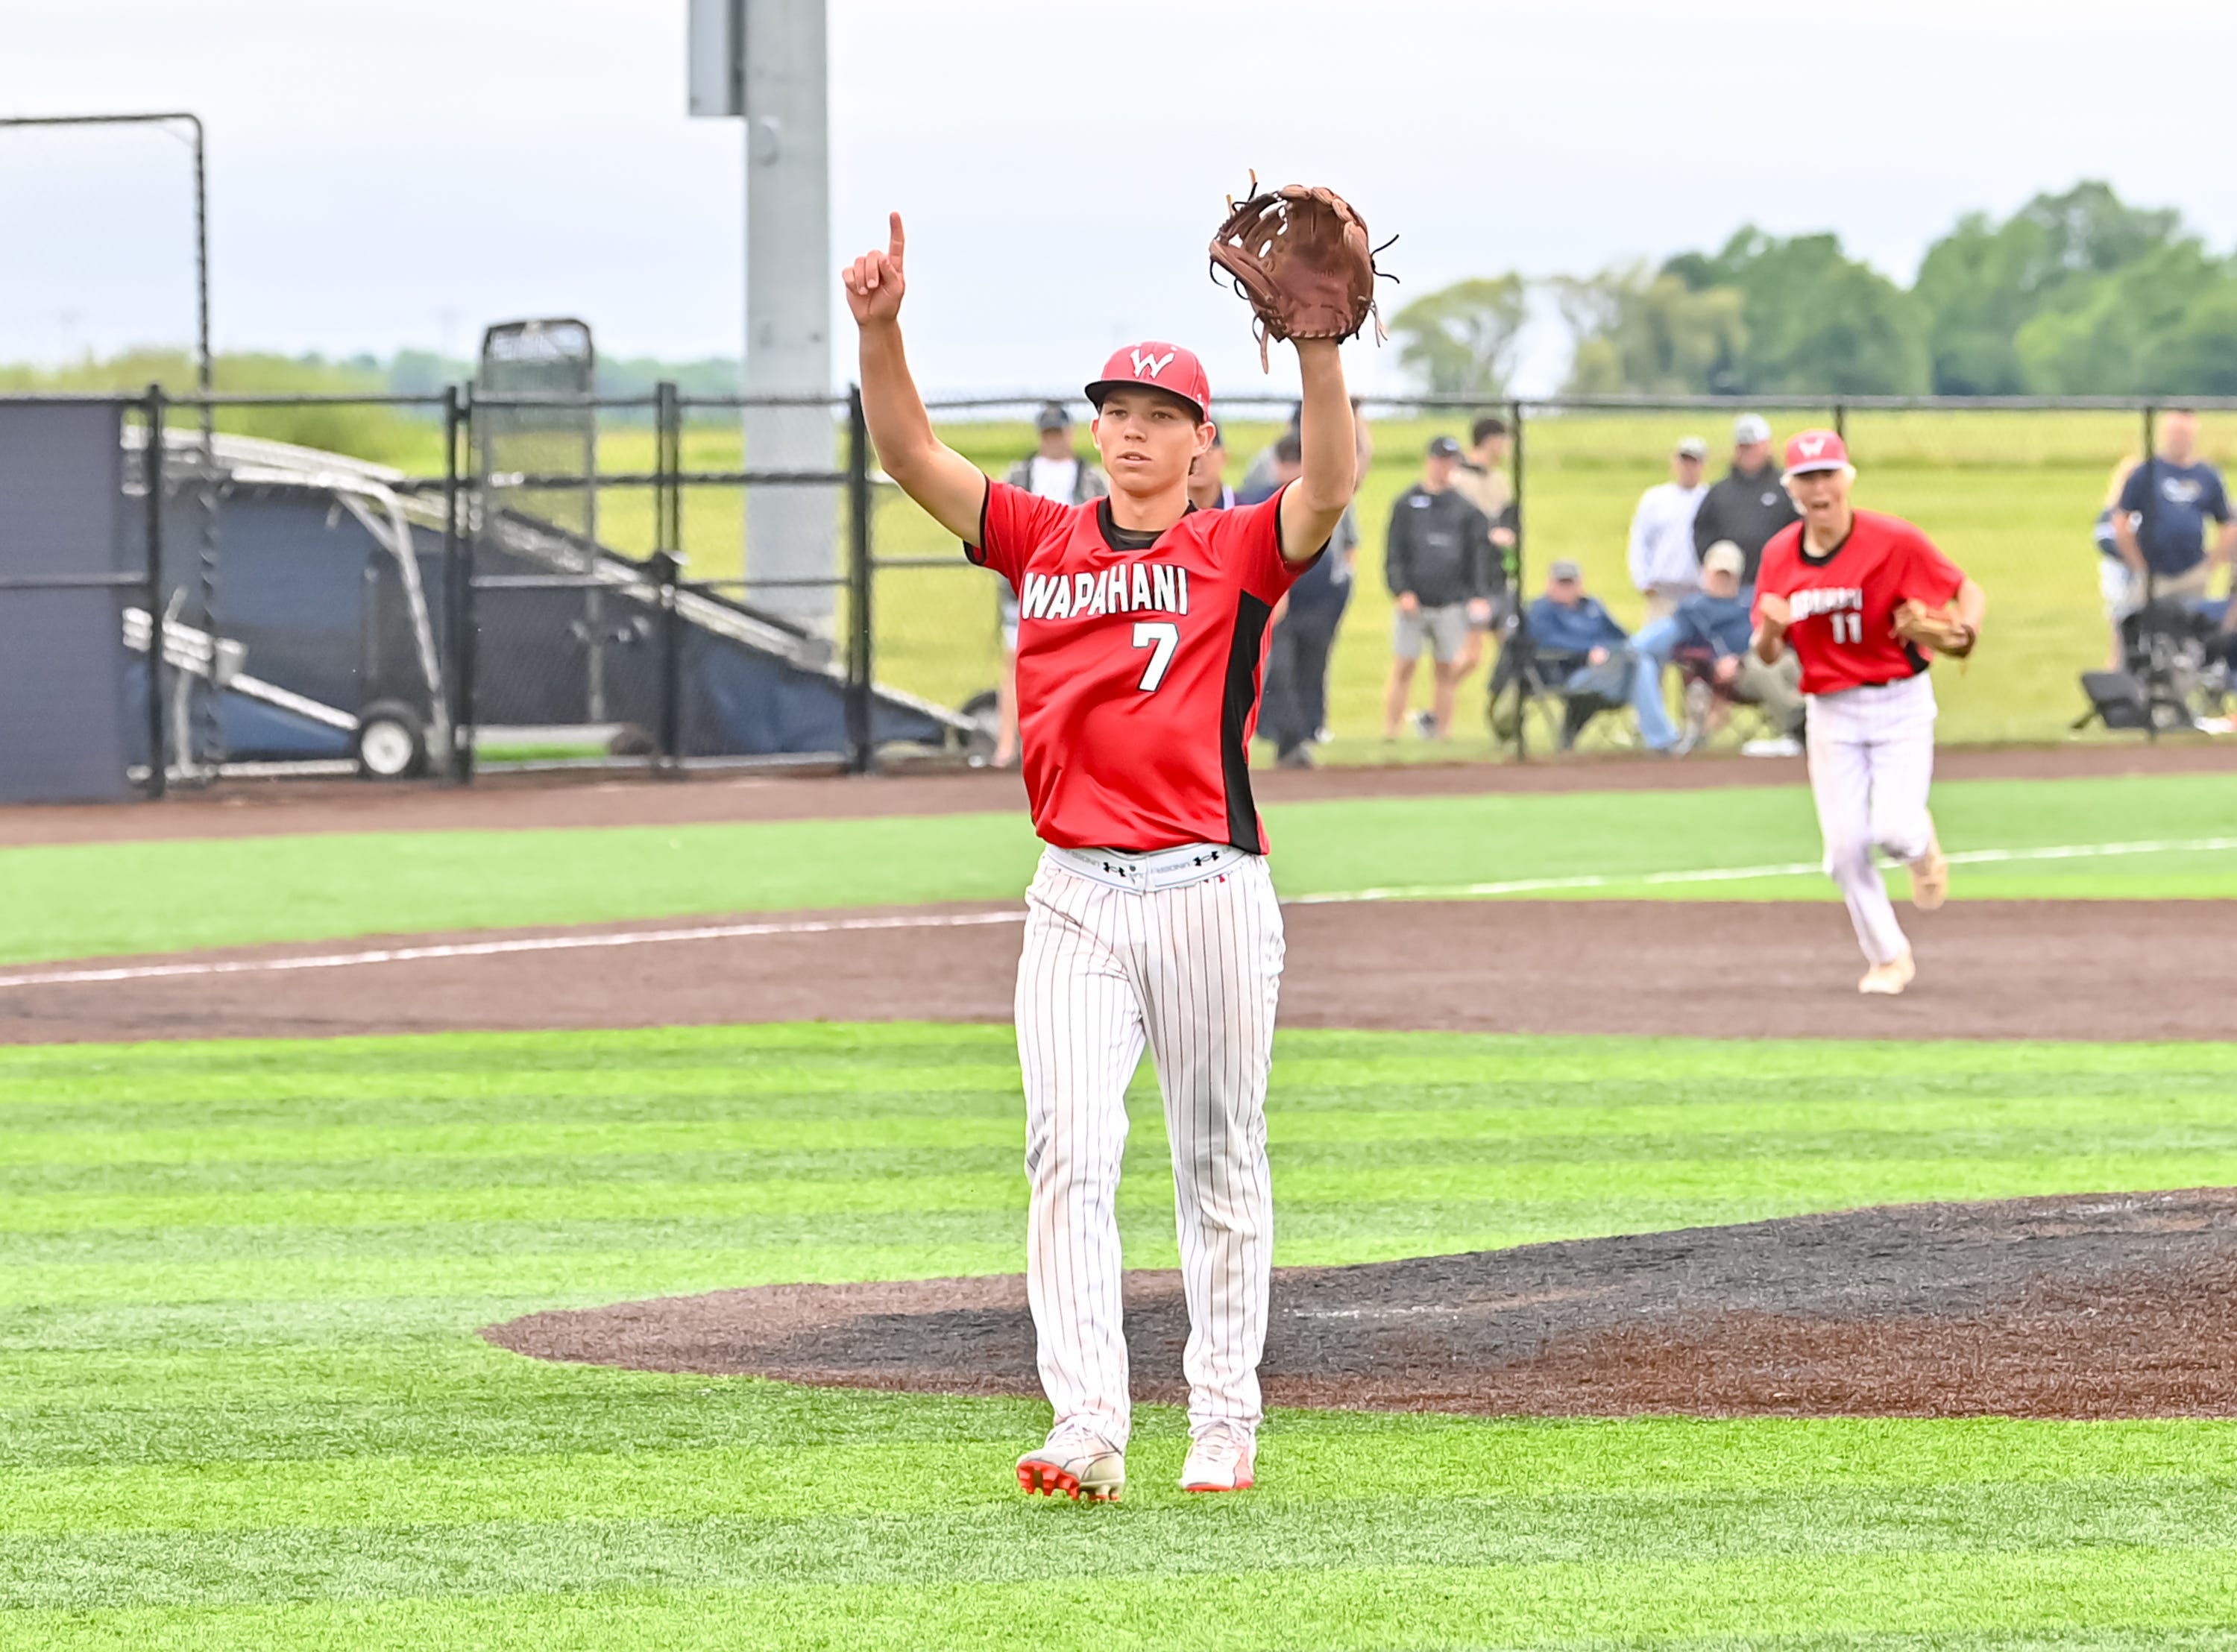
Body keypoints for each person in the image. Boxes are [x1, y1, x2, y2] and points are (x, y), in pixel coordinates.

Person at [843, 212, 1356, 1504]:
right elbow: (907, 450)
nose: (1127, 428)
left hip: (1209, 892)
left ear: (1200, 442)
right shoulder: (1041, 537)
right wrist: (881, 326)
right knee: (1068, 1153)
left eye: (1156, 411)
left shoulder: (1233, 547)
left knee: (1217, 1160)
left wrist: (1317, 352)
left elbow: (1332, 487)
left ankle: (1223, 1416)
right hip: (1071, 894)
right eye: (1115, 407)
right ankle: (1087, 1424)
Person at [1752, 429, 1986, 997]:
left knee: (1895, 831)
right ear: (1792, 489)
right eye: (1806, 478)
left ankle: (1922, 847)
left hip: (1899, 702)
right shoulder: (1780, 554)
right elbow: (1765, 653)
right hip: (1830, 711)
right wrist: (1774, 630)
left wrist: (1965, 630)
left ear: (1847, 479)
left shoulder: (1892, 540)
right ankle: (1888, 958)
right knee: (1843, 851)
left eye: (1828, 474)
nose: (1819, 488)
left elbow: (1964, 589)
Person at [992, 404, 1109, 766]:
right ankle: (1007, 746)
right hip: (1027, 583)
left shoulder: (1090, 478)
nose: (1054, 440)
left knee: (1079, 664)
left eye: (1059, 433)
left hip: (1078, 583)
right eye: (1048, 434)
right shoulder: (1019, 475)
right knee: (1015, 661)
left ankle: (1074, 745)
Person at [1627, 540, 1802, 754]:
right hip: (1738, 671)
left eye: (1728, 575)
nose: (1723, 581)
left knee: (1791, 664)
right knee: (1764, 669)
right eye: (1719, 574)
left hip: (1770, 652)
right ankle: (1799, 726)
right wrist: (1712, 664)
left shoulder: (1753, 599)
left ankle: (1814, 719)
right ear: (1706, 572)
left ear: (1738, 575)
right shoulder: (1693, 607)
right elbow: (1672, 640)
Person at [1247, 435, 1349, 767]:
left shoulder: (1321, 498)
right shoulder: (1259, 501)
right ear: (1277, 464)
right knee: (1283, 671)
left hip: (1319, 603)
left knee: (1312, 669)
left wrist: (1337, 595)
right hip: (1277, 603)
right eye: (1287, 463)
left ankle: (1308, 733)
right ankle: (1289, 742)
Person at [1382, 435, 1494, 740]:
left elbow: (1477, 557)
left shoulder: (1467, 510)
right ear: (1429, 460)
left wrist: (1476, 595)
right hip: (1414, 601)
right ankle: (1390, 732)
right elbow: (1395, 554)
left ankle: (1441, 732)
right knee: (1404, 664)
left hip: (1451, 601)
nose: (1444, 467)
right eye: (1440, 460)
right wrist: (1401, 590)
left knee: (1446, 668)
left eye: (1451, 461)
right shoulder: (1406, 504)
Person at [2110, 409, 2235, 614]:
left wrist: (2212, 562)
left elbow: (2227, 523)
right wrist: (2137, 563)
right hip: (2152, 574)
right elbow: (2121, 520)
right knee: (2138, 623)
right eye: (2175, 433)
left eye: (2184, 434)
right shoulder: (2146, 473)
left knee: (2190, 630)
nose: (2179, 439)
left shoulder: (2207, 476)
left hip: (2192, 572)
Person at [1692, 412, 1799, 586]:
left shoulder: (1787, 488)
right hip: (1730, 590)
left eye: (1752, 446)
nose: (1747, 452)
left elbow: (1801, 530)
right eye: (1743, 447)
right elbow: (1702, 533)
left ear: (1766, 444)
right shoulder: (1719, 492)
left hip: (1777, 583)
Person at [1629, 436, 1709, 622]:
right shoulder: (1655, 498)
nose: (1688, 467)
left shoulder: (1709, 498)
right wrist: (1642, 579)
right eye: (1684, 461)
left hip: (1698, 591)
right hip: (1662, 591)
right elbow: (1640, 540)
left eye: (1694, 462)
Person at [1188, 426, 1236, 511]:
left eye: (1209, 450)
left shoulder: (1247, 511)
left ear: (1224, 456)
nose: (1199, 459)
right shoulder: (1161, 516)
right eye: (1192, 450)